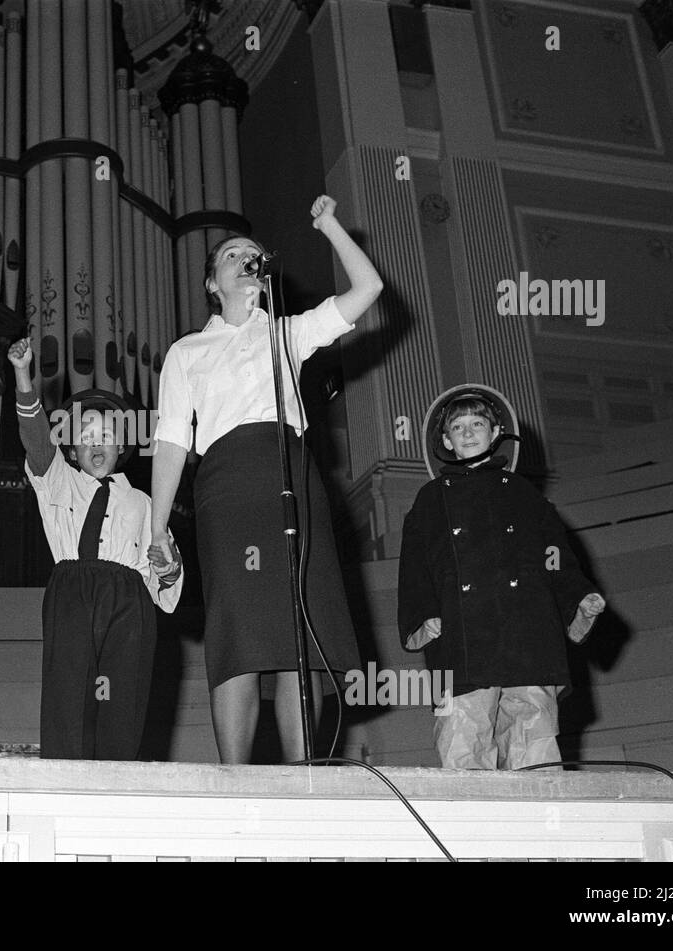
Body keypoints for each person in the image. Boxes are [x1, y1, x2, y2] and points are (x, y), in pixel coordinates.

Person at [148, 195, 383, 764]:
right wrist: (158, 529)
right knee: (241, 637)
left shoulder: (288, 332)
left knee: (298, 636)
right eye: (232, 253)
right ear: (212, 282)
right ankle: (235, 781)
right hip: (228, 489)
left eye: (254, 253)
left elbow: (368, 289)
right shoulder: (187, 352)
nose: (246, 258)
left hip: (293, 480)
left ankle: (303, 782)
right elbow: (173, 440)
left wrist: (328, 226)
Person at [398, 385, 606, 769]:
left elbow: (553, 552)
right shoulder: (429, 499)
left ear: (495, 434)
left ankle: (543, 825)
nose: (469, 432)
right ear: (445, 440)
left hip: (526, 630)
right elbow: (414, 566)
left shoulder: (524, 493)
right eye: (458, 427)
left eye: (478, 423)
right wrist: (423, 613)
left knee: (535, 740)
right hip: (461, 635)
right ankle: (469, 827)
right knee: (462, 738)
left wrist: (578, 596)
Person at [8, 337, 183, 760]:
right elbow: (34, 438)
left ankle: (116, 785)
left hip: (129, 597)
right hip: (73, 592)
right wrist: (22, 375)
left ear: (122, 448)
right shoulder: (57, 481)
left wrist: (167, 567)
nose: (96, 443)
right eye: (85, 437)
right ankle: (65, 782)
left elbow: (165, 570)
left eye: (106, 435)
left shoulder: (144, 502)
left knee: (122, 698)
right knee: (69, 696)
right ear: (71, 450)